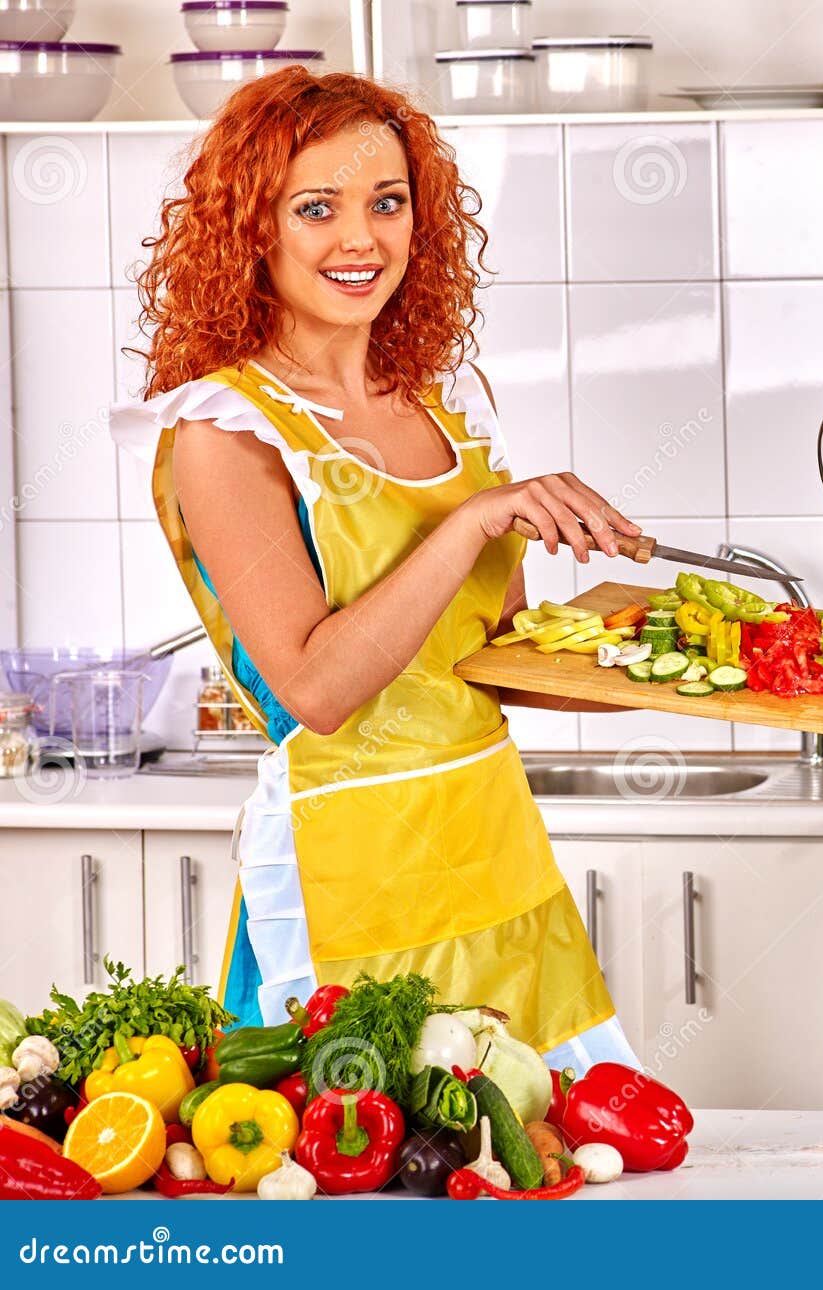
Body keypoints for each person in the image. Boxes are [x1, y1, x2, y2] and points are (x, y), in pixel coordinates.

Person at [110, 67, 639, 1073]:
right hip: (344, 862)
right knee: (367, 1182)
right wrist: (475, 521)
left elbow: (490, 659)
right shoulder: (227, 433)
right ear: (250, 229)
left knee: (543, 1158)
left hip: (491, 852)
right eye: (318, 208)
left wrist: (692, 663)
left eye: (387, 202)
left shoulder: (446, 401)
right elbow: (318, 691)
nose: (363, 240)